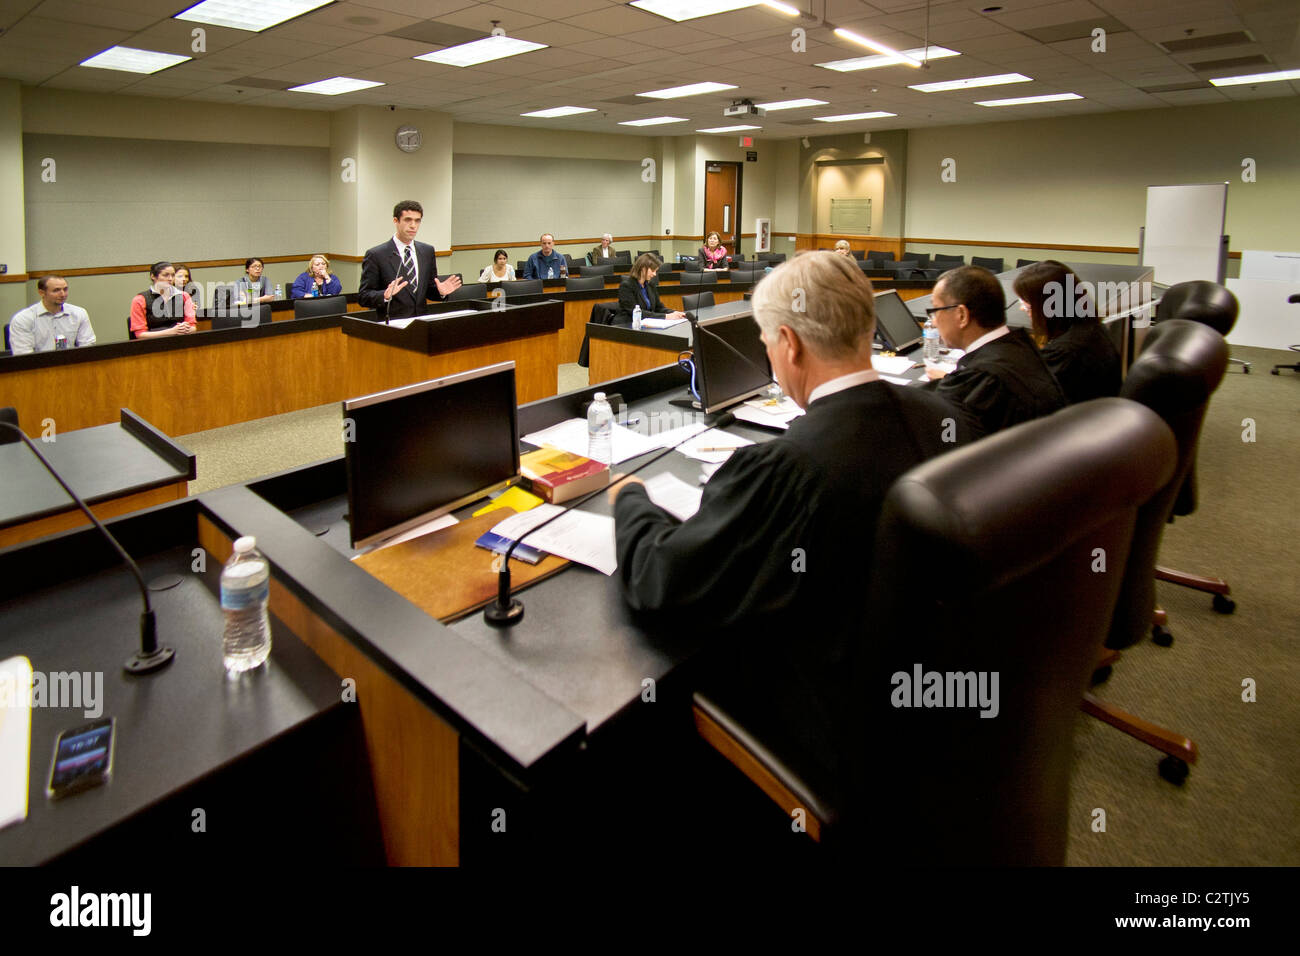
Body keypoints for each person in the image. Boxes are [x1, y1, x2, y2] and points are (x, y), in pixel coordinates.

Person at [608, 250, 972, 801]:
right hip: (935, 713)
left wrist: (631, 498)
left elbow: (661, 579)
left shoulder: (786, 468)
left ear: (790, 343)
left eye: (766, 344)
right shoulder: (947, 418)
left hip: (831, 726)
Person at [923, 264, 1065, 435]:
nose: (935, 321)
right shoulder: (1022, 348)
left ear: (962, 315)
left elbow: (945, 437)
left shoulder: (983, 378)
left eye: (935, 310)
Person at [1013, 260, 1121, 404]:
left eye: (1028, 305)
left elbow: (1029, 402)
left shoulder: (1066, 352)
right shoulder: (1092, 328)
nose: (1022, 308)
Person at [358, 200, 461, 319]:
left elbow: (430, 290)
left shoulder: (427, 251)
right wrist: (384, 295)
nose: (413, 225)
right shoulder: (376, 255)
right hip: (393, 326)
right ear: (396, 221)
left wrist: (441, 293)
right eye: (408, 220)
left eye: (417, 221)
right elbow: (363, 297)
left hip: (421, 324)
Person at [8, 276, 96, 354]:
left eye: (65, 289)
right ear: (42, 293)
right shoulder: (23, 319)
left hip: (71, 366)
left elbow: (88, 346)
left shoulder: (79, 313)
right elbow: (23, 355)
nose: (63, 294)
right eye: (56, 290)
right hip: (37, 368)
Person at [129, 261, 196, 339]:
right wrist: (171, 332)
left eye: (173, 275)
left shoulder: (185, 296)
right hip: (153, 344)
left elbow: (192, 327)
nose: (170, 279)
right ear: (153, 276)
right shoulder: (140, 299)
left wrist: (186, 329)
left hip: (180, 341)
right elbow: (140, 334)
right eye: (166, 275)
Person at [616, 254, 685, 323]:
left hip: (646, 324)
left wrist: (675, 313)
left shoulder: (650, 285)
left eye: (656, 271)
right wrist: (665, 316)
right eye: (653, 271)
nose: (655, 274)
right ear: (643, 268)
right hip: (629, 325)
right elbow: (636, 312)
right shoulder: (626, 286)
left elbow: (659, 308)